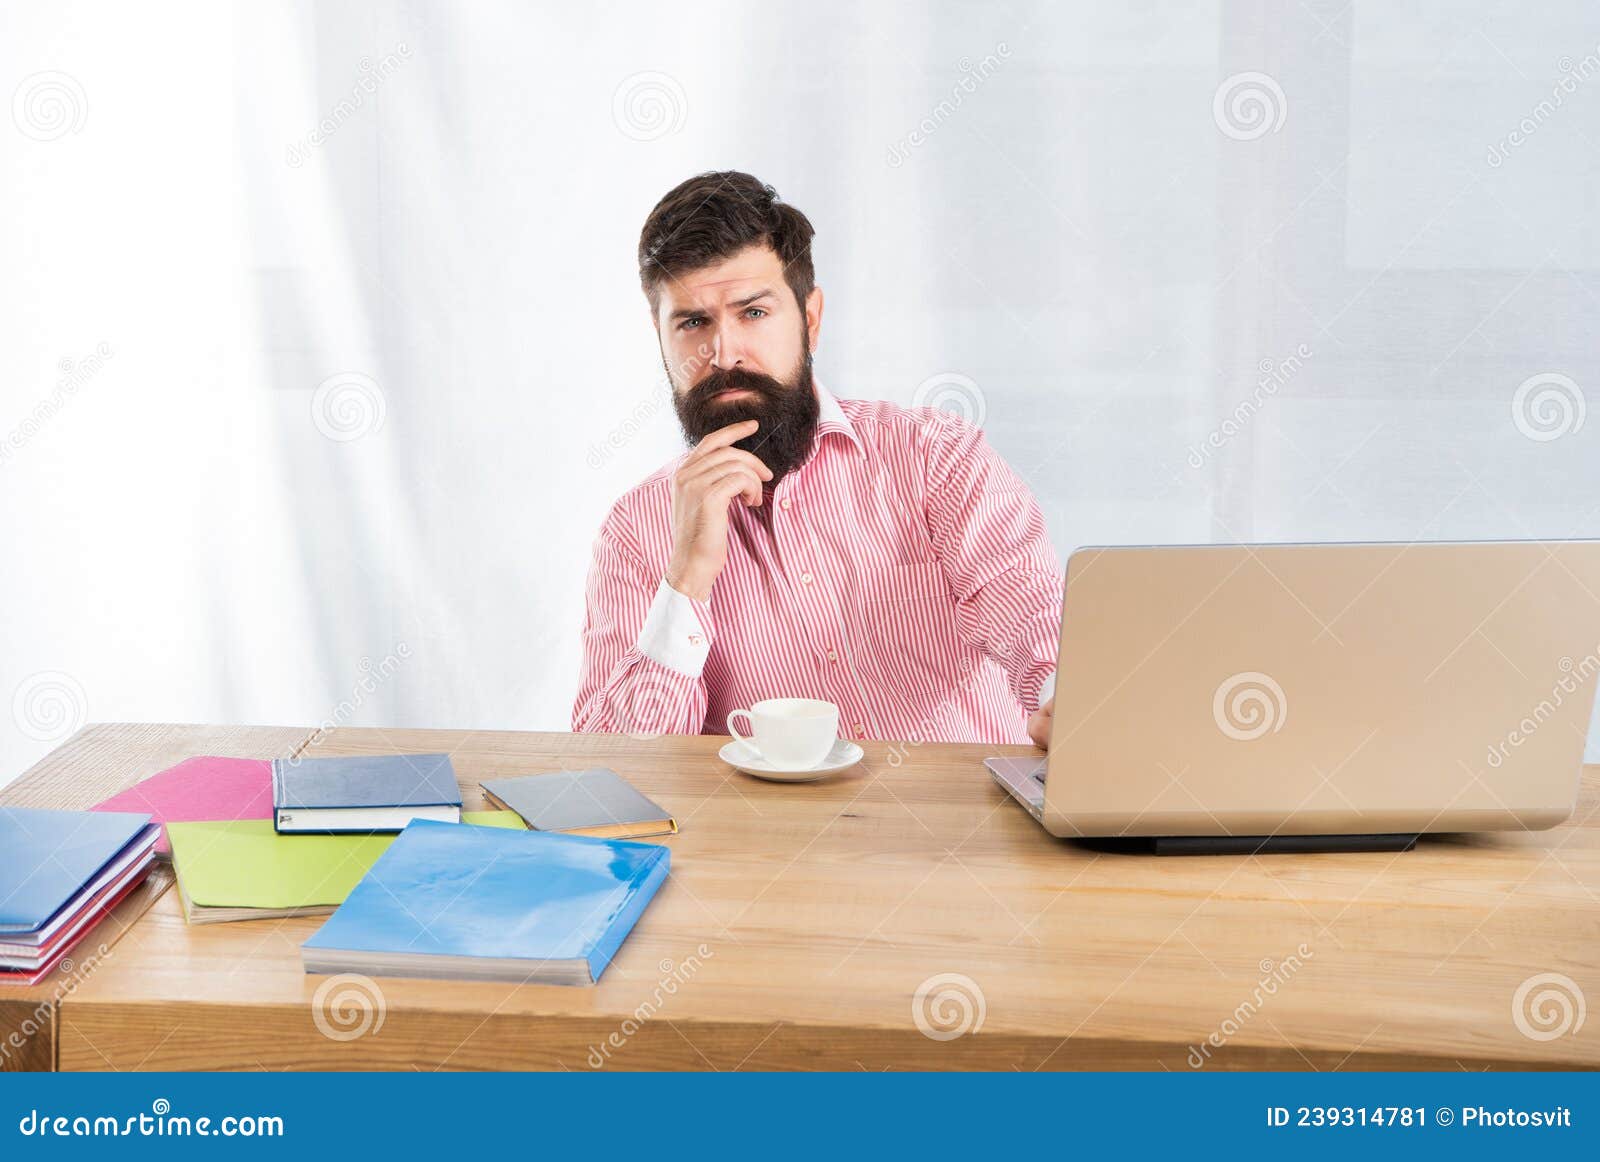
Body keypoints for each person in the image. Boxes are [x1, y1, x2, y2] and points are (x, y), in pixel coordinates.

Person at [574, 171, 1061, 750]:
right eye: (692, 322)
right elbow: (617, 769)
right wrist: (685, 580)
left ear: (810, 318)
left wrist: (1071, 704)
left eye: (753, 313)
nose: (723, 353)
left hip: (963, 833)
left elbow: (1028, 610)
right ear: (661, 338)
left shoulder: (934, 458)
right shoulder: (636, 530)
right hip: (768, 841)